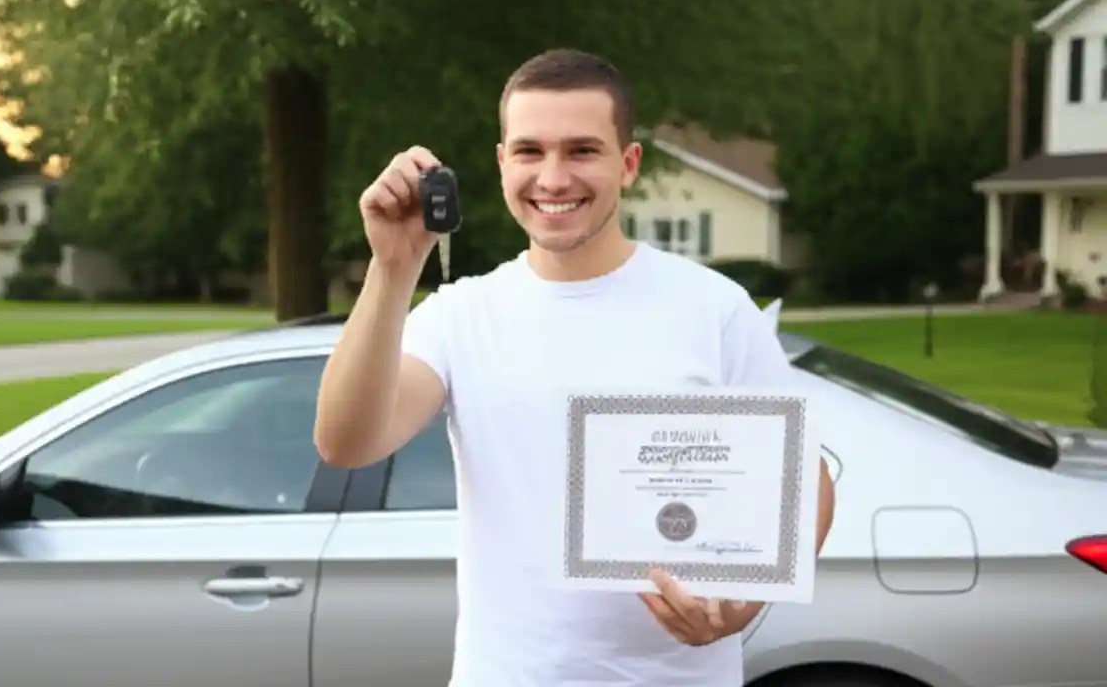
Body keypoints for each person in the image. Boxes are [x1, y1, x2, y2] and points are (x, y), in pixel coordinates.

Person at [314, 48, 836, 686]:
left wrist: (742, 605)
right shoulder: (460, 314)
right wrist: (393, 268)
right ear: (502, 163)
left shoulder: (714, 308)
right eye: (530, 151)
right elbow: (345, 441)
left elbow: (804, 480)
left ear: (629, 164)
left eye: (582, 150)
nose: (553, 178)